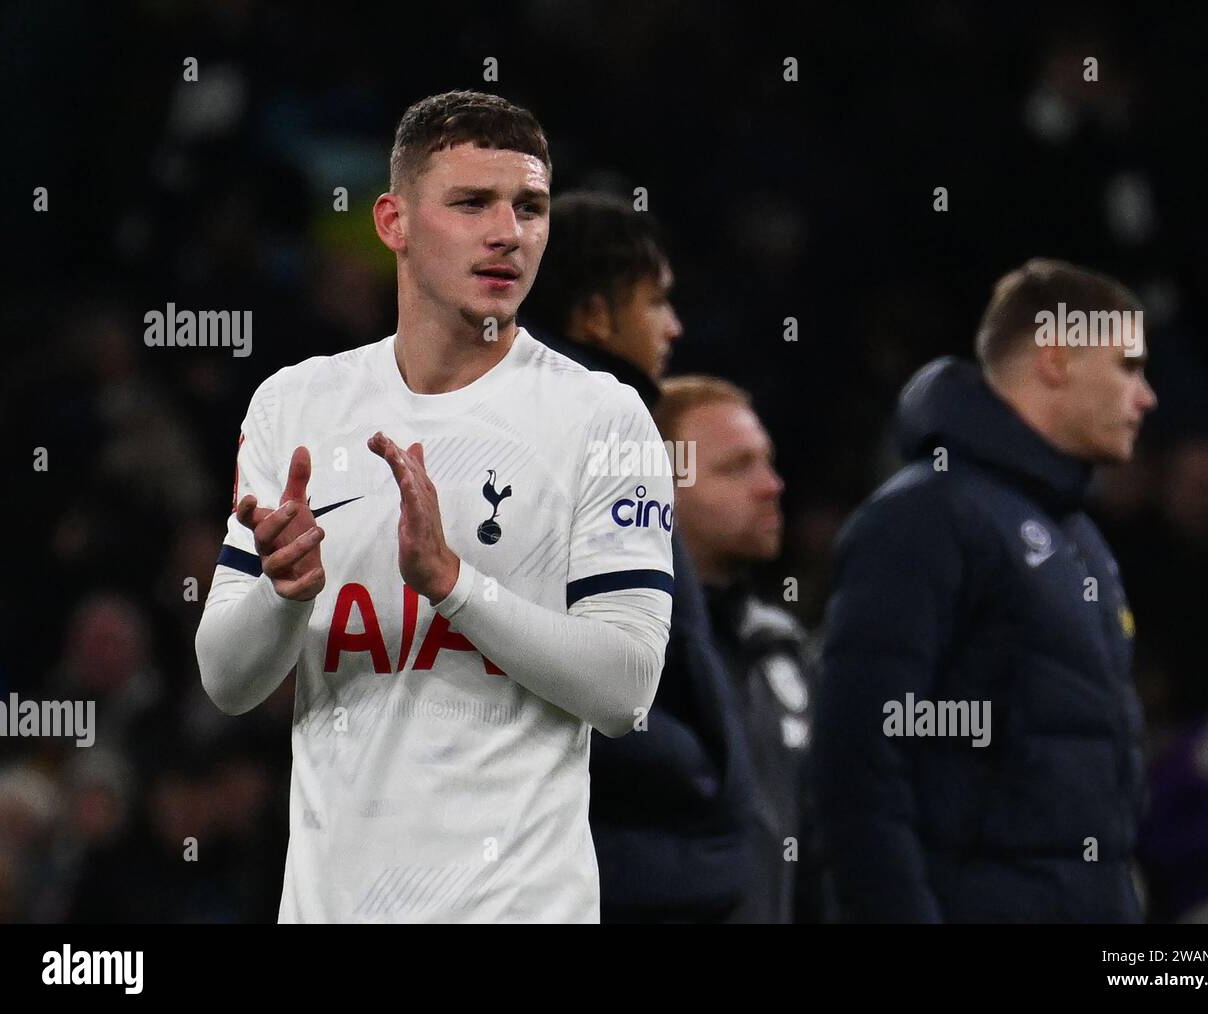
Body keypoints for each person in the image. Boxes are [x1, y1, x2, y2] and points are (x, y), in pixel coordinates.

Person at [195, 92, 675, 923]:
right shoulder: (297, 405)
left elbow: (627, 686)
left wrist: (454, 585)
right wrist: (282, 595)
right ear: (394, 222)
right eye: (471, 203)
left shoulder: (603, 417)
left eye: (529, 207)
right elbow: (227, 681)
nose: (508, 232)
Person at [814, 258, 1157, 922]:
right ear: (1056, 360)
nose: (1146, 398)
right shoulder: (925, 517)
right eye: (1129, 367)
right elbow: (856, 766)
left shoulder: (1079, 537)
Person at [522, 192, 757, 922]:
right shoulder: (564, 435)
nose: (674, 326)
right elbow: (560, 669)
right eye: (656, 301)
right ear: (595, 315)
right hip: (602, 869)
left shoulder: (603, 427)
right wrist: (695, 765)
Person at [654, 375, 814, 923]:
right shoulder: (625, 656)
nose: (771, 485)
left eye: (767, 462)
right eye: (736, 467)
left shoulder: (782, 650)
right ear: (659, 487)